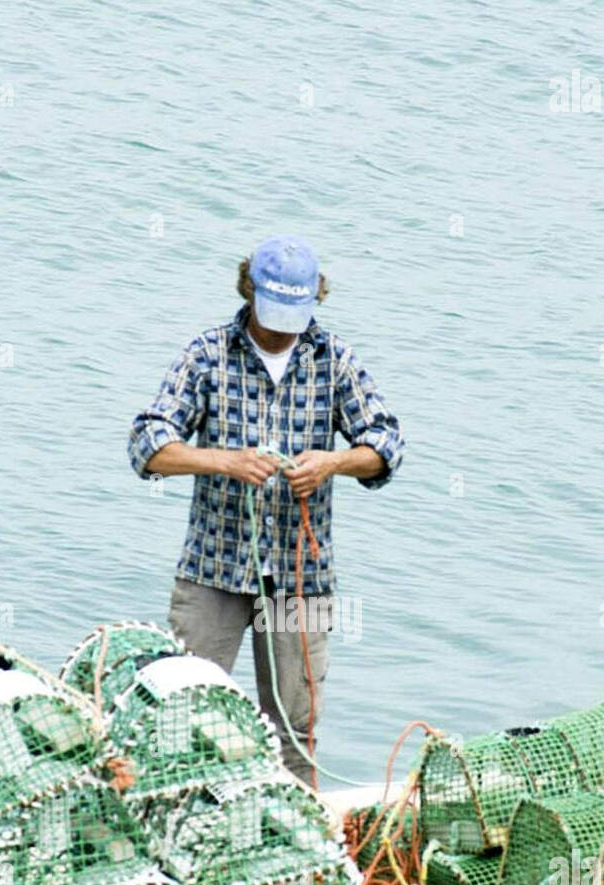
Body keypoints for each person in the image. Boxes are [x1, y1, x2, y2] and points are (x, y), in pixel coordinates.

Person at [128, 235, 404, 785]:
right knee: (180, 718)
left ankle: (293, 848)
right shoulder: (207, 354)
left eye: (293, 317)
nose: (281, 329)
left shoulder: (334, 360)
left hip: (300, 576)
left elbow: (387, 445)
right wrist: (223, 462)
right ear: (248, 292)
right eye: (271, 313)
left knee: (294, 729)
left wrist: (333, 463)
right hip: (214, 571)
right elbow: (146, 445)